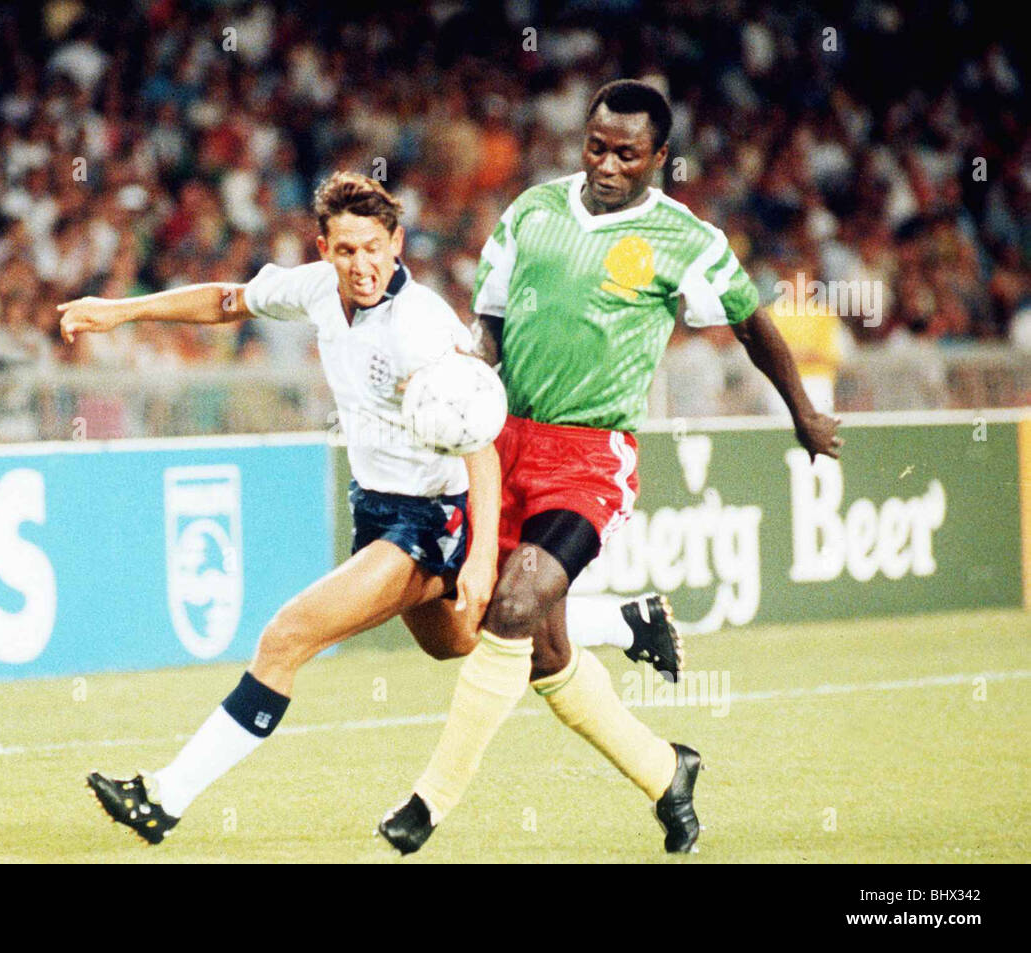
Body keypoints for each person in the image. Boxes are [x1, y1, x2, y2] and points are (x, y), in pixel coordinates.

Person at [377, 80, 843, 856]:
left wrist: (801, 411)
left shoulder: (684, 239)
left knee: (515, 606)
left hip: (590, 460)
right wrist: (463, 381)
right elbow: (489, 321)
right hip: (502, 444)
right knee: (542, 651)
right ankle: (668, 772)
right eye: (598, 146)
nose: (608, 164)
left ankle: (427, 803)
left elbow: (752, 325)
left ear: (660, 157)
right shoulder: (532, 212)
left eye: (628, 154)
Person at [61, 173, 502, 844]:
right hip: (377, 509)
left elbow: (483, 450)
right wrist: (121, 310)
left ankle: (163, 797)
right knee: (457, 641)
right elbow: (225, 301)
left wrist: (481, 553)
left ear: (398, 243)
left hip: (428, 519)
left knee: (286, 636)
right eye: (347, 250)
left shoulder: (424, 329)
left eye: (376, 248)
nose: (363, 265)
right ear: (324, 248)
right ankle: (622, 619)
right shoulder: (319, 289)